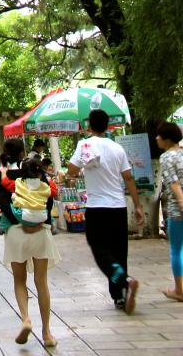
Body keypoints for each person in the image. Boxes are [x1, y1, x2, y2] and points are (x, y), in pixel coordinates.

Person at [66, 108, 144, 313]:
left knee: (100, 249)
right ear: (108, 126)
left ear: (89, 126)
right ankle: (119, 296)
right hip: (118, 207)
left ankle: (125, 282)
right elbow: (128, 178)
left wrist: (77, 168)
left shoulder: (85, 145)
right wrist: (137, 206)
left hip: (97, 208)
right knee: (119, 252)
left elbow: (72, 171)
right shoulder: (117, 148)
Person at [0, 137, 59, 347]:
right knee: (41, 282)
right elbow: (48, 201)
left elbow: (4, 206)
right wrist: (38, 223)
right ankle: (47, 333)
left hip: (15, 232)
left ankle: (25, 319)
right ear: (24, 153)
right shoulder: (35, 171)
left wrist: (20, 222)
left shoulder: (0, 175)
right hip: (40, 231)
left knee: (19, 281)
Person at [155, 121, 183, 302]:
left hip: (177, 210)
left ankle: (179, 290)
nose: (156, 138)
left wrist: (181, 201)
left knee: (176, 249)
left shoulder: (166, 157)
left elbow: (173, 182)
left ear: (166, 139)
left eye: (159, 135)